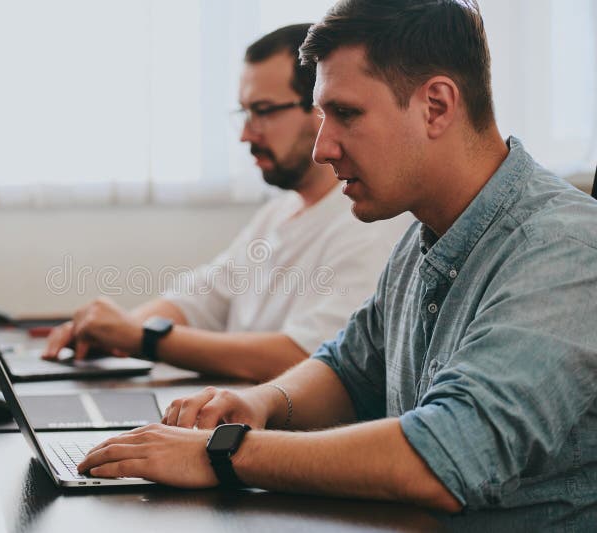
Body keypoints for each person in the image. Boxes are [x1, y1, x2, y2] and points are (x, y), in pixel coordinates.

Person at [76, 0, 597, 526]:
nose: (323, 148)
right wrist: (261, 404)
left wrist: (222, 453)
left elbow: (444, 457)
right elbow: (349, 370)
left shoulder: (564, 249)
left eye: (345, 114)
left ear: (436, 106)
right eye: (322, 116)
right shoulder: (424, 234)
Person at [42, 24, 411, 382]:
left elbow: (307, 359)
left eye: (263, 111)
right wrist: (110, 331)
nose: (246, 134)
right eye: (245, 113)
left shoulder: (370, 225)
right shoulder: (278, 214)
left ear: (319, 108)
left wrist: (142, 339)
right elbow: (201, 299)